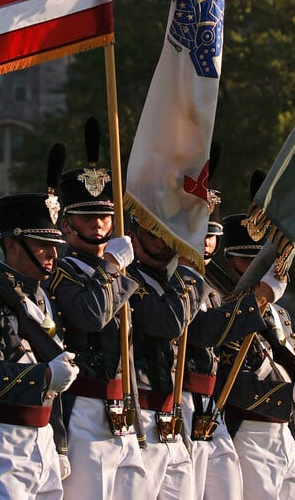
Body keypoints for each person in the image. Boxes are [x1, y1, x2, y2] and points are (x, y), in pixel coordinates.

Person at [0, 189, 77, 500]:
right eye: (42, 246)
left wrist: (59, 443)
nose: (53, 254)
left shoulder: (44, 300)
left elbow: (57, 373)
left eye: (54, 246)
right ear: (11, 245)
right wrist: (44, 376)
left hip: (43, 439)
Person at [46, 126, 146, 499]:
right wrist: (111, 269)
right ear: (66, 223)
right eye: (87, 216)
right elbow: (90, 314)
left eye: (104, 215)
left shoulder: (119, 269)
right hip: (82, 408)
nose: (99, 224)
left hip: (122, 408)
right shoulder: (61, 271)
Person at [217, 215, 295, 500]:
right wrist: (289, 394)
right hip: (246, 431)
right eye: (248, 263)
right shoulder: (223, 313)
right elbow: (229, 383)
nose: (260, 272)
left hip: (286, 431)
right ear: (230, 262)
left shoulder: (280, 315)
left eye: (264, 263)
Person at [177, 220, 266, 500]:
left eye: (212, 236)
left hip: (210, 404)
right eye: (200, 234)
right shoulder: (173, 282)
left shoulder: (212, 289)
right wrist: (259, 299)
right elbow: (202, 332)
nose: (206, 242)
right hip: (181, 397)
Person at [123, 214, 197, 500]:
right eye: (152, 233)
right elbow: (168, 323)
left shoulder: (167, 282)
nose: (162, 241)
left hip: (172, 414)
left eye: (167, 234)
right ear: (133, 235)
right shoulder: (128, 280)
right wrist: (190, 275)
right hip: (141, 411)